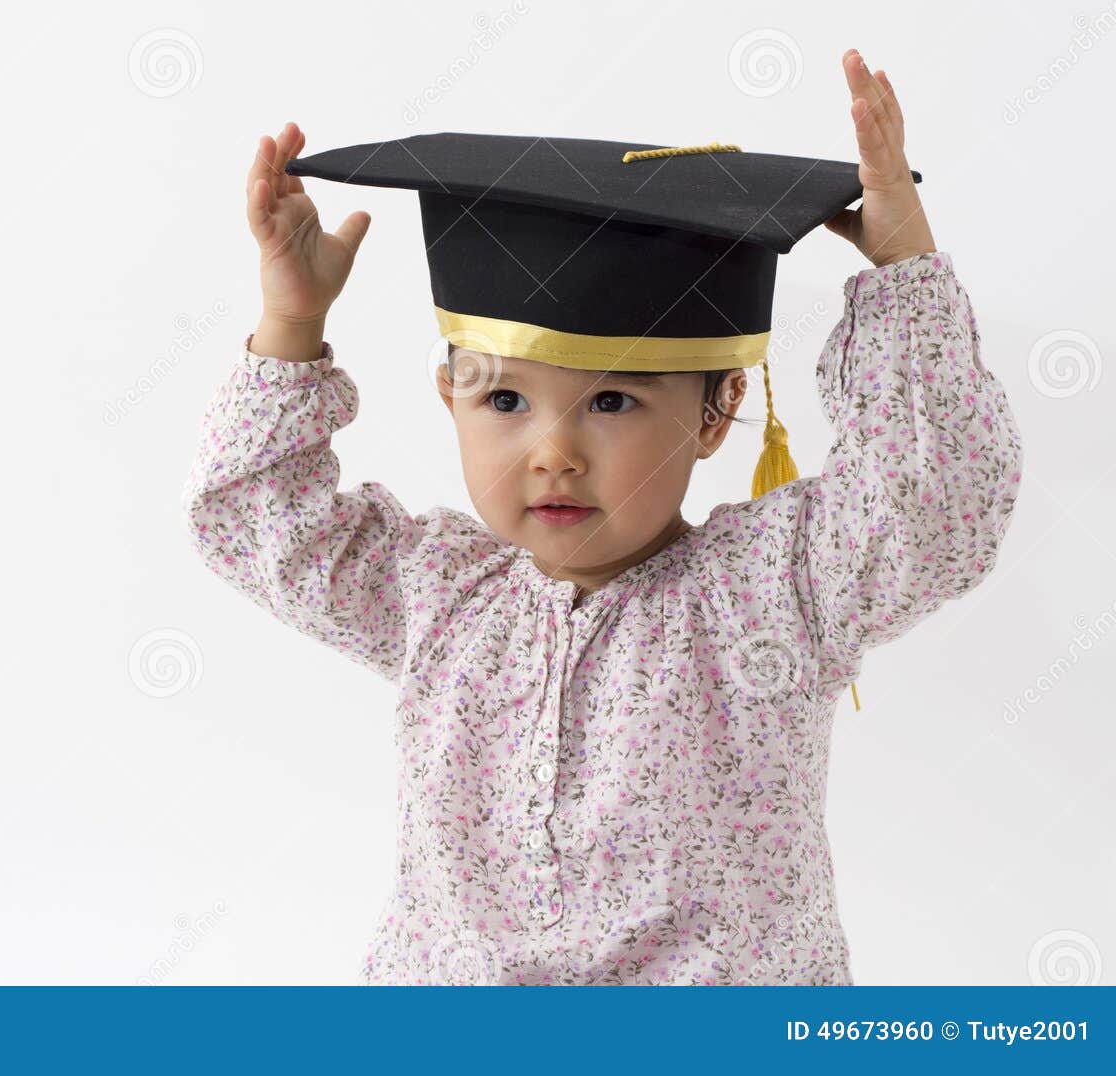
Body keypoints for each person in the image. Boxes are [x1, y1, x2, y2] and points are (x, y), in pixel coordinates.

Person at [181, 49, 1023, 984]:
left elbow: (937, 502)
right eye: (504, 403)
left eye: (613, 403)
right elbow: (253, 519)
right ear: (448, 398)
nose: (553, 452)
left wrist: (905, 267)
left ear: (714, 413)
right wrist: (291, 322)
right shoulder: (437, 594)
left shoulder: (776, 592)